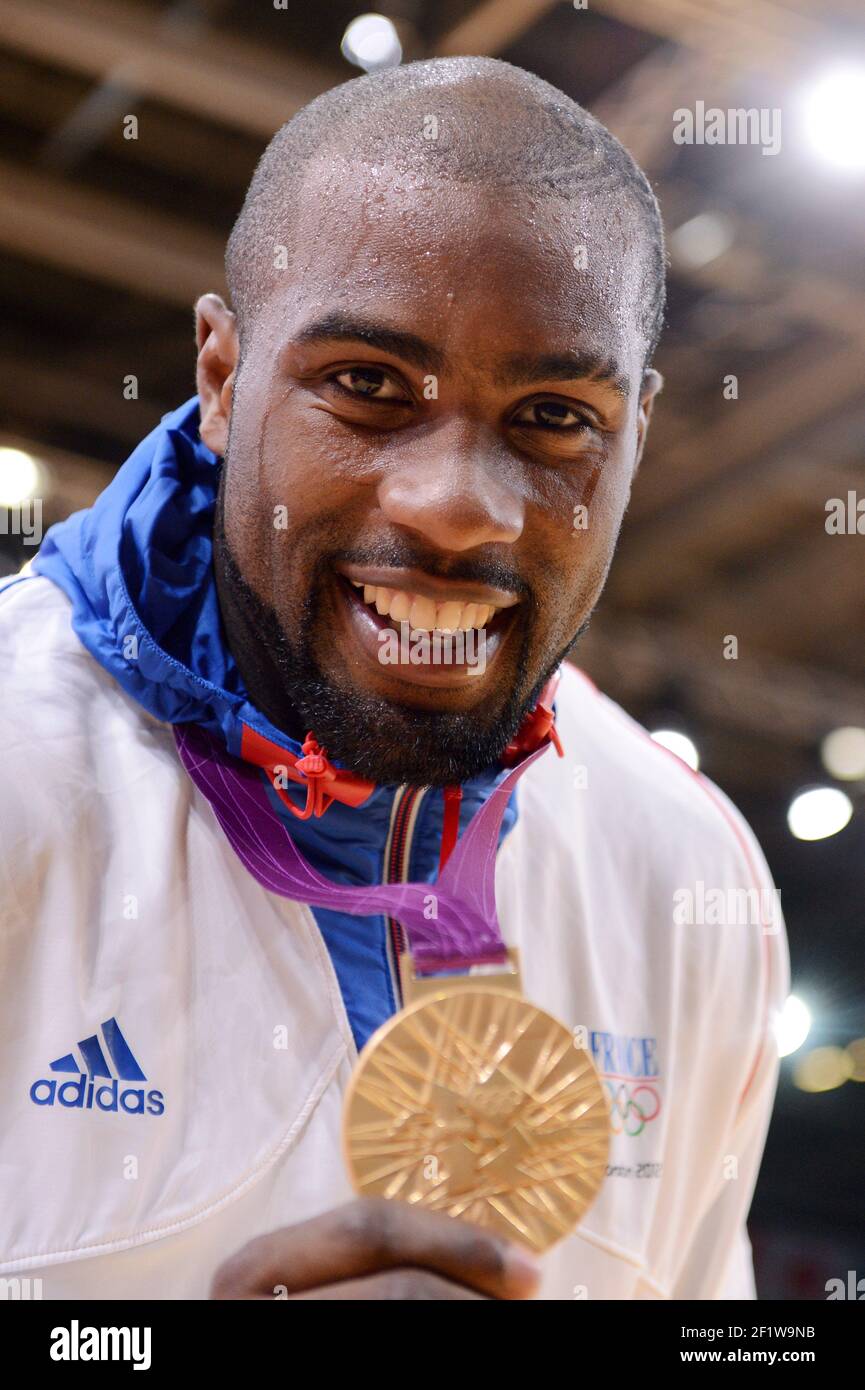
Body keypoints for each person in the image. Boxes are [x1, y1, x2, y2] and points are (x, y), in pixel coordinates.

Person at [0, 56, 787, 1300]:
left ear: (634, 427)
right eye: (365, 387)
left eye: (553, 416)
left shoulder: (687, 870)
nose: (456, 507)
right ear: (219, 378)